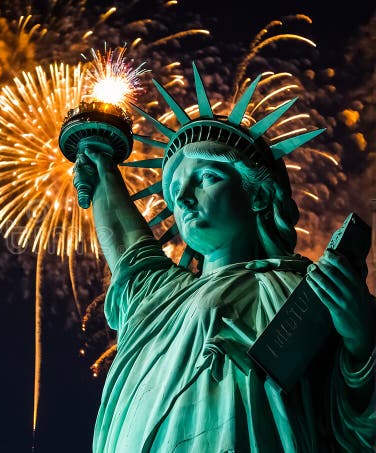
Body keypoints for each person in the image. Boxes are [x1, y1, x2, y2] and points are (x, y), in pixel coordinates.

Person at [76, 65, 376, 452]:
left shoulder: (310, 295)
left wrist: (362, 337)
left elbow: (355, 424)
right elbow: (125, 241)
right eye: (175, 191)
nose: (184, 199)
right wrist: (101, 163)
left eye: (206, 178)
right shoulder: (158, 295)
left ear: (258, 195)